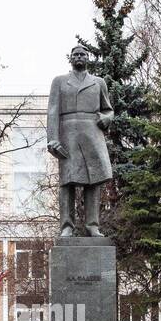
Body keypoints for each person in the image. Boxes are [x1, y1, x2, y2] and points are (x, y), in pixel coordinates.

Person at [47, 44, 114, 239]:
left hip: (93, 134)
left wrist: (107, 118)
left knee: (93, 182)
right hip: (68, 134)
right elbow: (52, 112)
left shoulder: (98, 82)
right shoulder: (59, 81)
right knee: (67, 182)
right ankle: (67, 226)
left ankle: (92, 226)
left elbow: (108, 109)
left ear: (88, 58)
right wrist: (52, 139)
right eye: (75, 54)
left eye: (82, 54)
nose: (79, 57)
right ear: (70, 58)